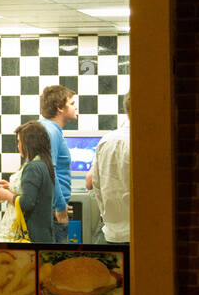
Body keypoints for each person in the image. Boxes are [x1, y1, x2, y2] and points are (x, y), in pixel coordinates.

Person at [0, 121, 56, 243]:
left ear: (29, 143)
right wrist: (11, 188)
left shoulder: (32, 167)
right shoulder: (44, 163)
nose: (18, 146)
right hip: (43, 235)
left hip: (31, 237)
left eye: (19, 141)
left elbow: (27, 203)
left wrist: (6, 195)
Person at [88, 91, 131, 243]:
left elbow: (95, 183)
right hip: (142, 233)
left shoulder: (107, 141)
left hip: (111, 233)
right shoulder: (147, 141)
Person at [39, 84, 78, 243]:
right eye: (72, 104)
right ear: (59, 108)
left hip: (49, 206)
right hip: (52, 210)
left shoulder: (44, 127)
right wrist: (60, 206)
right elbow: (49, 169)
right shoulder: (51, 131)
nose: (76, 107)